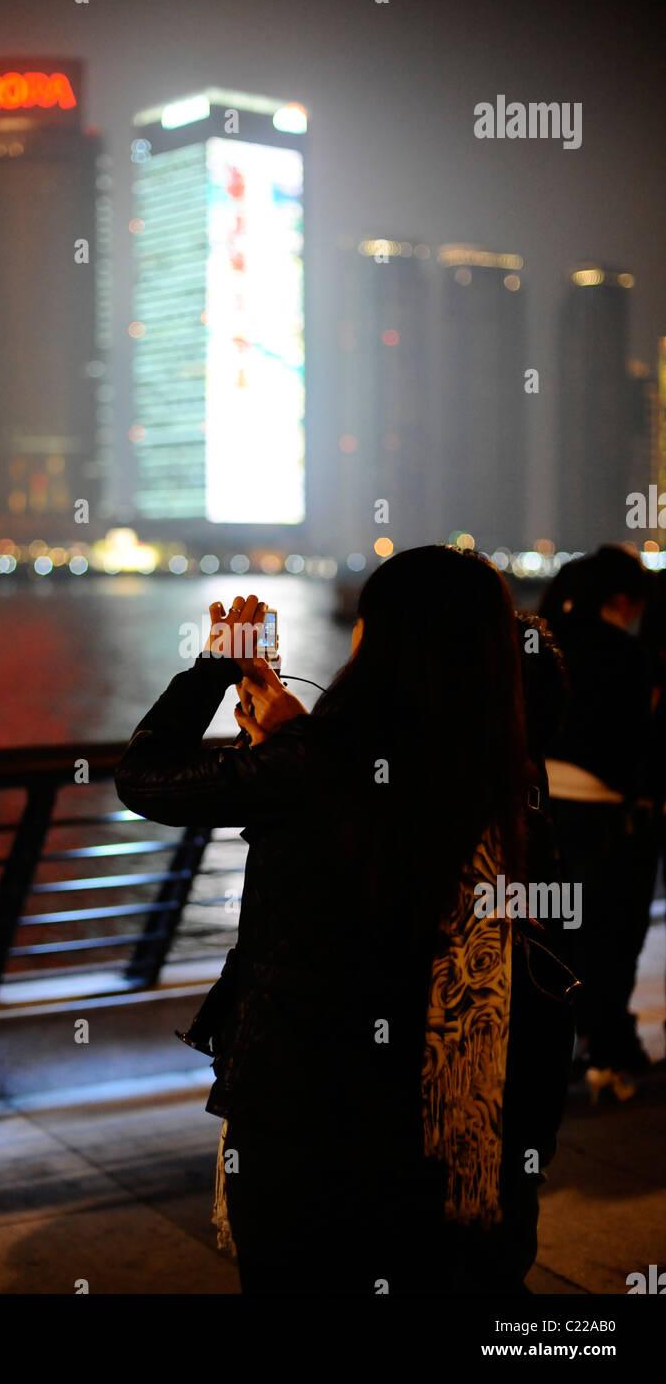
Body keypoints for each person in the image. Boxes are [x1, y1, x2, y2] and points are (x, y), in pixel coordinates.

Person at [115, 546, 570, 1295]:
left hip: (309, 1098)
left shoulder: (312, 761)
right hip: (460, 1107)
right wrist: (295, 736)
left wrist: (218, 666)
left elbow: (145, 777)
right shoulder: (509, 763)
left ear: (375, 639)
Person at [542, 545, 654, 1098]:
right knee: (609, 935)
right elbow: (638, 742)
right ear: (619, 601)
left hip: (536, 806)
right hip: (600, 811)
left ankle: (547, 1053)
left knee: (550, 934)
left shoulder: (540, 642)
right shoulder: (625, 654)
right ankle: (605, 1055)